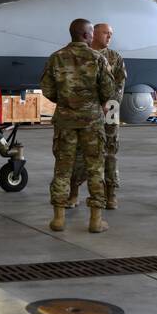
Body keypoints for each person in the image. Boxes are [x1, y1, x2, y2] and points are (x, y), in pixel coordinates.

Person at [40, 18, 116, 234]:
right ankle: (95, 220)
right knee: (95, 168)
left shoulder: (56, 58)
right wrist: (91, 103)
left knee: (62, 169)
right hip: (92, 121)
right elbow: (108, 92)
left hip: (65, 121)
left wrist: (66, 100)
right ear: (85, 35)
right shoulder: (98, 58)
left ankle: (58, 219)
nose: (93, 36)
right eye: (91, 33)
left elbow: (47, 89)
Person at [66, 22, 126, 210]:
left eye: (111, 34)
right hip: (86, 111)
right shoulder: (82, 55)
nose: (109, 37)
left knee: (110, 152)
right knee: (79, 152)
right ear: (94, 34)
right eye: (105, 33)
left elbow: (119, 85)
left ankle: (110, 195)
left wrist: (108, 105)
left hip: (110, 111)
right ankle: (74, 193)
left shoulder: (115, 57)